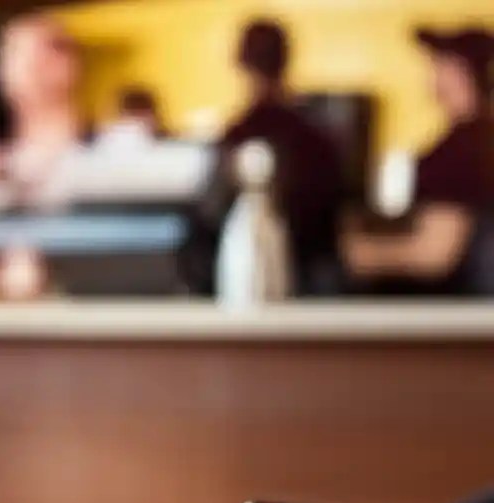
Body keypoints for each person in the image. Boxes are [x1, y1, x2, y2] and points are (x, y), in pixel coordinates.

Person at [184, 20, 345, 296]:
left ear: (240, 63)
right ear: (287, 60)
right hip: (314, 294)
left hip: (241, 287)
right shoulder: (319, 140)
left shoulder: (236, 138)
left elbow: (208, 216)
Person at [343, 28, 494, 295]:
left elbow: (436, 255)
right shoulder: (478, 140)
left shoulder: (461, 150)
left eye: (440, 63)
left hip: (453, 319)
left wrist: (364, 254)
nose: (431, 72)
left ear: (460, 72)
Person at [0, 13, 90, 223]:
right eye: (4, 57)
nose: (5, 71)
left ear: (64, 66)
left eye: (17, 55)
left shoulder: (102, 154)